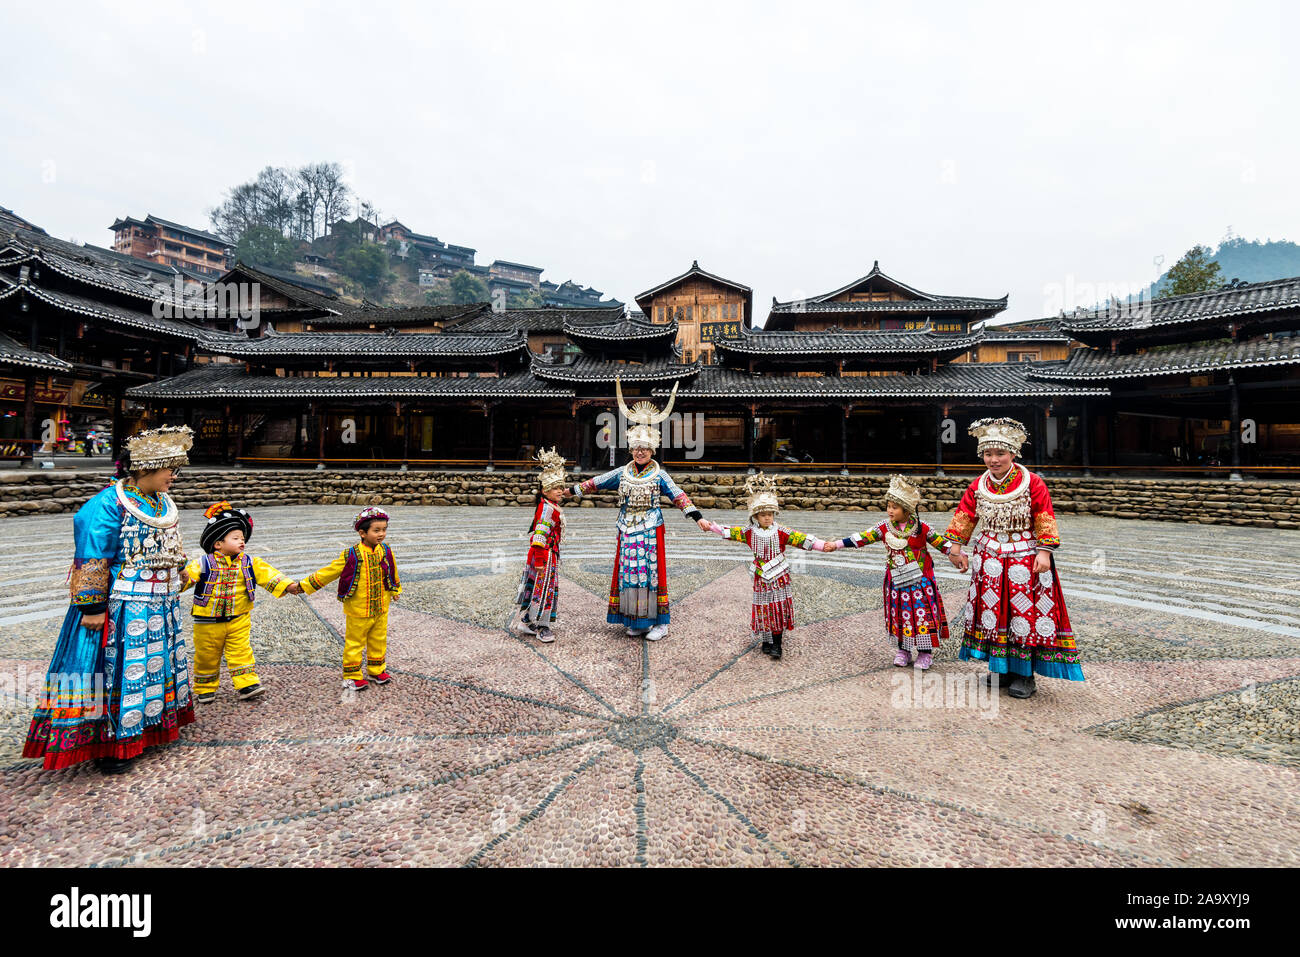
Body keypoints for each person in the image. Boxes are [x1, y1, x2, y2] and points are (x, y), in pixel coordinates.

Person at [22, 426, 196, 773]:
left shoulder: (160, 502)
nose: (173, 477)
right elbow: (93, 554)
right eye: (169, 470)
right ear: (147, 468)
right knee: (110, 670)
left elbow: (168, 546)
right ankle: (108, 744)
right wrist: (92, 606)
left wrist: (182, 575)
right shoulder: (107, 504)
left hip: (159, 604)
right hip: (119, 604)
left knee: (151, 667)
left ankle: (147, 729)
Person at [944, 417, 1083, 699]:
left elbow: (1044, 517)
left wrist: (1044, 552)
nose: (993, 460)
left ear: (1013, 453)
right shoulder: (978, 486)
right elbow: (965, 516)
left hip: (1024, 559)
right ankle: (1001, 668)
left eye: (1000, 453)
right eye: (987, 454)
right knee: (992, 613)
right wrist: (955, 550)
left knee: (1023, 615)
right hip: (989, 561)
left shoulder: (1032, 483)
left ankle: (1024, 673)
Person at [564, 379, 709, 641]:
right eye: (636, 448)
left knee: (651, 573)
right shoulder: (623, 472)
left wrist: (696, 516)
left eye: (644, 448)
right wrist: (572, 491)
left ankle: (660, 622)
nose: (640, 452)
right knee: (629, 572)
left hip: (651, 529)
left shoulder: (659, 475)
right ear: (631, 449)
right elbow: (596, 482)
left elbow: (678, 495)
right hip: (626, 528)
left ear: (651, 450)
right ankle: (637, 619)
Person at [825, 474, 953, 670]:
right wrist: (837, 544)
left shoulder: (921, 528)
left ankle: (926, 653)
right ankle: (904, 650)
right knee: (901, 614)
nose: (890, 510)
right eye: (889, 506)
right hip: (897, 581)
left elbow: (942, 543)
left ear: (907, 509)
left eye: (894, 507)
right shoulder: (884, 527)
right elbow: (862, 538)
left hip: (921, 581)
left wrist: (956, 554)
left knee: (922, 615)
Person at [181, 502, 298, 703]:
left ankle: (247, 684)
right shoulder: (202, 563)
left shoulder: (250, 562)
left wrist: (287, 585)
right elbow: (187, 580)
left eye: (242, 538)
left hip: (239, 618)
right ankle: (205, 687)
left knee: (242, 651)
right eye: (235, 538)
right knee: (206, 655)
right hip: (206, 621)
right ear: (218, 544)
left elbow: (268, 574)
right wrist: (181, 579)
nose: (241, 541)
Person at [703, 473, 828, 660]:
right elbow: (730, 532)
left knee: (777, 606)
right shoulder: (748, 532)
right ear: (756, 516)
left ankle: (777, 643)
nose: (767, 518)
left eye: (770, 514)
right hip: (761, 577)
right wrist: (712, 527)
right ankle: (766, 639)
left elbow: (800, 538)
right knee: (763, 607)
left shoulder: (781, 531)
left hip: (779, 576)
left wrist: (823, 545)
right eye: (763, 515)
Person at [299, 506, 400, 690]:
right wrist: (304, 585)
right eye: (376, 530)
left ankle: (376, 669)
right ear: (362, 532)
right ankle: (352, 675)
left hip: (381, 606)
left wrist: (395, 590)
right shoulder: (351, 554)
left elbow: (392, 570)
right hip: (358, 608)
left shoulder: (385, 550)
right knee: (355, 642)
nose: (381, 534)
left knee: (379, 639)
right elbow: (329, 572)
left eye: (384, 530)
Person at [514, 448, 567, 642]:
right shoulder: (546, 509)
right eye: (556, 487)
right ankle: (542, 625)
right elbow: (540, 536)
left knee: (542, 588)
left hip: (548, 555)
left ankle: (527, 621)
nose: (561, 490)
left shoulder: (550, 506)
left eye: (561, 486)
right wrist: (539, 560)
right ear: (545, 490)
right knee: (541, 590)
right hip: (543, 556)